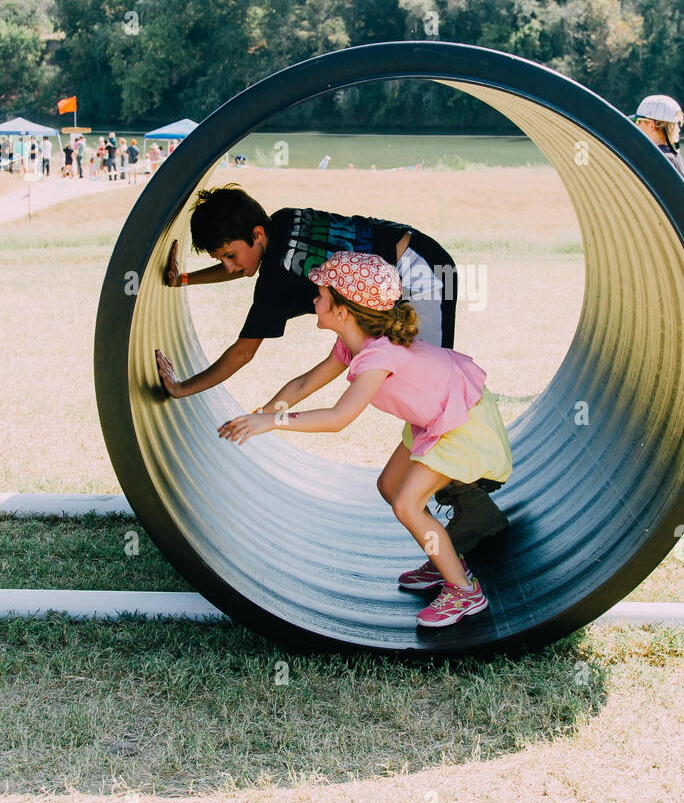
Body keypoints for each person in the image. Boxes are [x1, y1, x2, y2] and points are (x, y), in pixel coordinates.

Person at [154, 184, 508, 553]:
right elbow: (245, 265)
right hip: (412, 255)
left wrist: (181, 388)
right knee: (419, 395)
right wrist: (186, 279)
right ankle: (451, 512)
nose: (228, 265)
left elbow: (242, 353)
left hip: (419, 273)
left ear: (257, 235)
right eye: (221, 258)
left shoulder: (276, 278)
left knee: (435, 394)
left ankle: (474, 508)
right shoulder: (279, 222)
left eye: (229, 255)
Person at [218, 252, 512, 628]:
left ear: (343, 311)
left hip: (460, 420)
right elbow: (305, 383)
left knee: (407, 504)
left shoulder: (380, 354)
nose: (314, 300)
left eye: (321, 295)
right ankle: (447, 559)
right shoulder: (352, 343)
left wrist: (273, 422)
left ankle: (465, 591)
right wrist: (262, 414)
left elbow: (338, 418)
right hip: (433, 417)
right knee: (390, 485)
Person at [630, 95, 684, 182]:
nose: (636, 125)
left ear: (651, 125)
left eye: (638, 121)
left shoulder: (655, 160)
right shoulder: (674, 157)